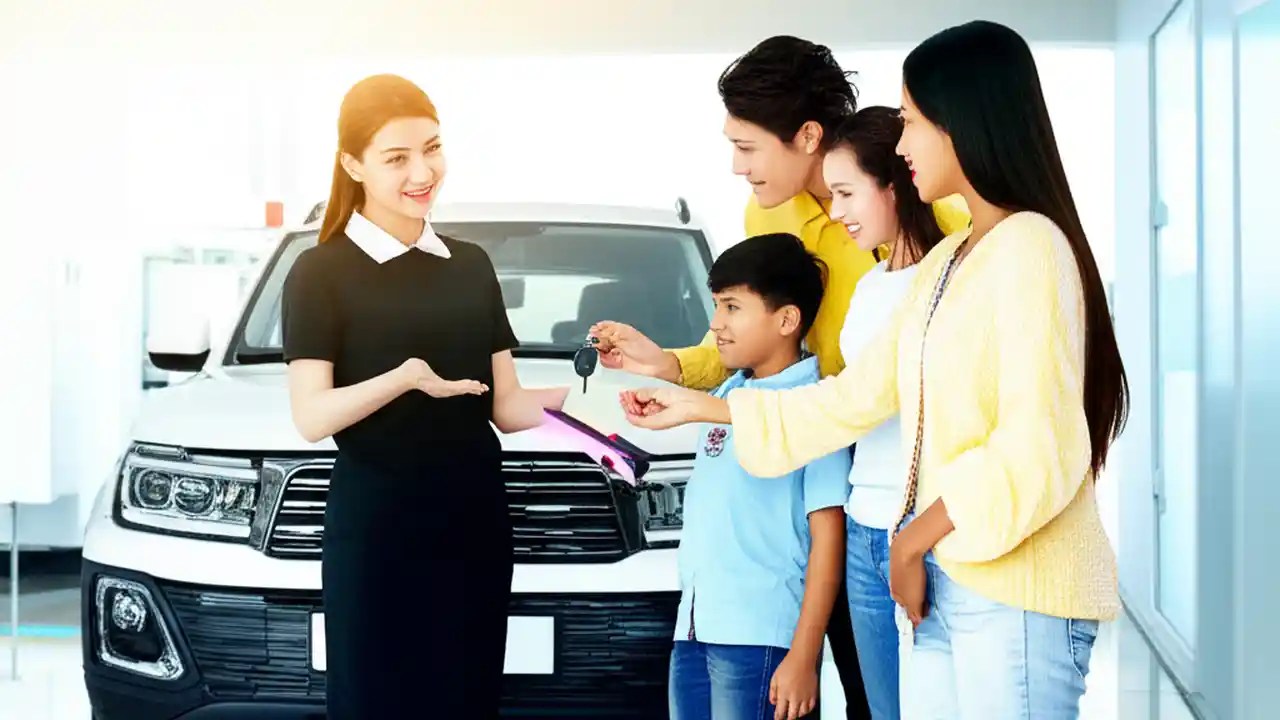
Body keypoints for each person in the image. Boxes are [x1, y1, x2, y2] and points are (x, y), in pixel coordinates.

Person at [620, 20, 1129, 720]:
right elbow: (850, 399)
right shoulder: (949, 265)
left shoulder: (1029, 247)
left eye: (913, 121)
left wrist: (911, 539)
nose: (903, 140)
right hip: (946, 579)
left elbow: (1038, 448)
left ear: (963, 124)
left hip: (1014, 591)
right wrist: (702, 406)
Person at [591, 36, 969, 718]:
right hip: (829, 470)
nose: (737, 167)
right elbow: (753, 346)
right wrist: (671, 363)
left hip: (905, 482)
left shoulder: (927, 215)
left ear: (808, 136)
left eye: (747, 147)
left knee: (897, 691)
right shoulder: (767, 213)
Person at [280, 74, 568, 720]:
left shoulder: (470, 266)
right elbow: (310, 415)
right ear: (353, 164)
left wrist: (588, 402)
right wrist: (404, 378)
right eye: (397, 157)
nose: (423, 171)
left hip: (473, 524)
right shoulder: (321, 272)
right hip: (378, 531)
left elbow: (506, 405)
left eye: (432, 149)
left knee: (466, 701)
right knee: (376, 702)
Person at [631, 232, 851, 720]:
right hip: (693, 630)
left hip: (760, 639)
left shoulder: (815, 410)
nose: (716, 325)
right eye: (716, 306)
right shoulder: (726, 396)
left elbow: (828, 540)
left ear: (786, 320)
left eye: (732, 307)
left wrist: (803, 656)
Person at [823, 105, 946, 720]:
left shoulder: (950, 275)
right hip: (861, 523)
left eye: (846, 192)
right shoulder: (870, 286)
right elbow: (850, 406)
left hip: (925, 534)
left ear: (893, 186)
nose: (835, 211)